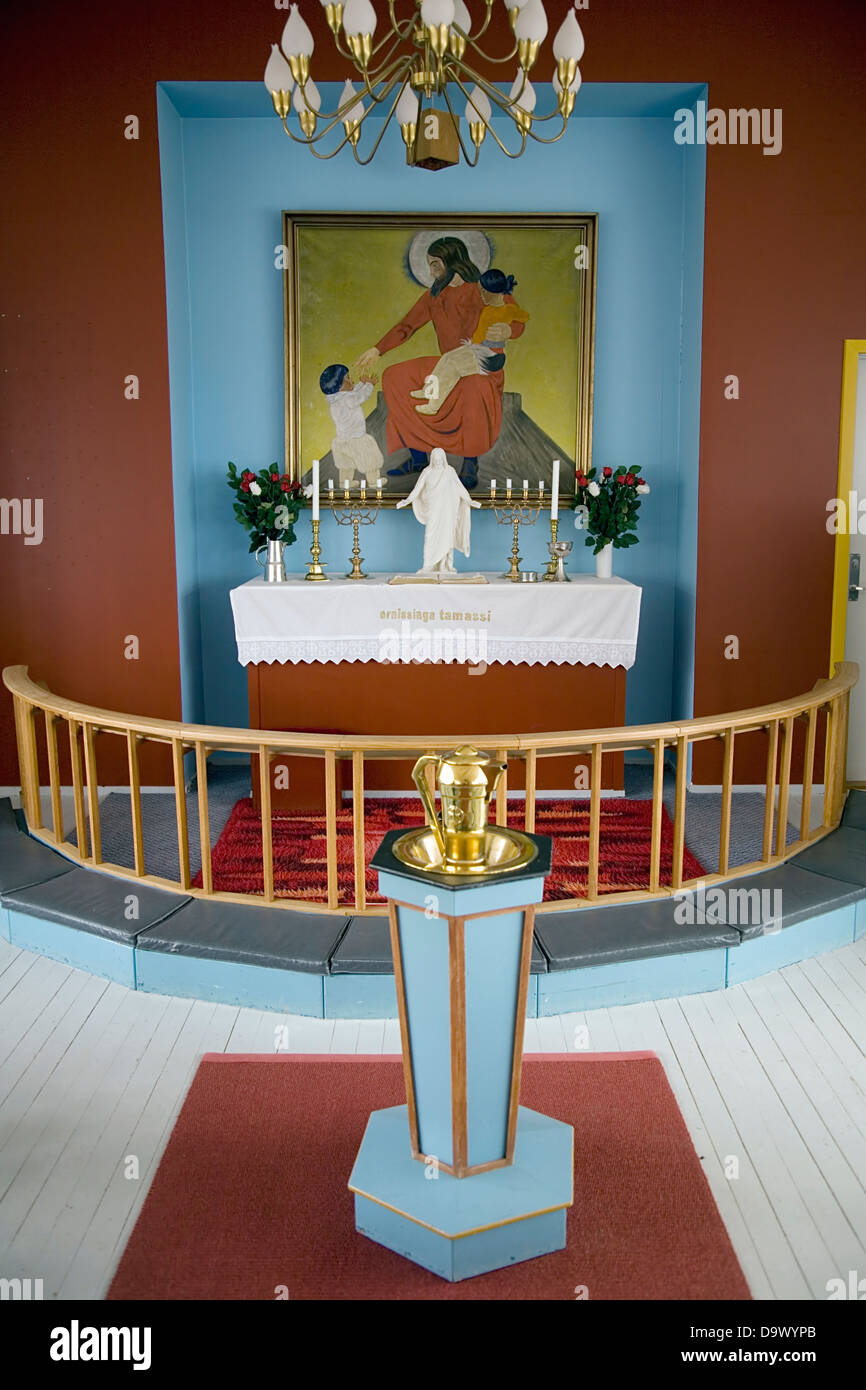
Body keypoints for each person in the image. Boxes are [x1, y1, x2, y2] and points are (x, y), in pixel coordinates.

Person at [353, 235, 528, 492]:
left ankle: (470, 463)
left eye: (436, 264)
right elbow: (407, 326)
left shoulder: (484, 289)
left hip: (481, 366)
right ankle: (419, 457)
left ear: (453, 262)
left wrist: (507, 330)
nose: (431, 270)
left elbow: (516, 319)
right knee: (396, 376)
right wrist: (378, 349)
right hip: (449, 364)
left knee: (474, 386)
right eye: (429, 264)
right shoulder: (434, 295)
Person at [410, 268, 529, 416]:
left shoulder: (508, 310)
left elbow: (524, 317)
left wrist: (508, 330)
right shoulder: (488, 310)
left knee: (453, 365)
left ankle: (433, 407)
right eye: (480, 291)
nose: (481, 295)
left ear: (496, 292)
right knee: (448, 357)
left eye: (484, 291)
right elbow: (478, 335)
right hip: (477, 348)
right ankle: (428, 390)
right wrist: (471, 347)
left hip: (491, 357)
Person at [395, 447, 481, 573]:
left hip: (447, 510)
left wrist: (469, 500)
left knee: (448, 536)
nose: (438, 461)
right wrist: (406, 500)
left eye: (440, 459)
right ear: (432, 460)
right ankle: (428, 565)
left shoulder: (449, 472)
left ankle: (445, 565)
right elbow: (417, 489)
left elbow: (460, 488)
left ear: (444, 459)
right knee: (430, 536)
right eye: (436, 459)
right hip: (434, 510)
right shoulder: (427, 472)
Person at [319, 363, 384, 488]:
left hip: (342, 440)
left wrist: (362, 384)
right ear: (339, 385)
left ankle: (345, 483)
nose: (351, 380)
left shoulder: (335, 400)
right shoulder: (347, 399)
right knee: (370, 459)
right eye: (347, 378)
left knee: (346, 464)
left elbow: (352, 392)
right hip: (357, 439)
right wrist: (369, 384)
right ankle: (374, 481)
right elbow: (360, 396)